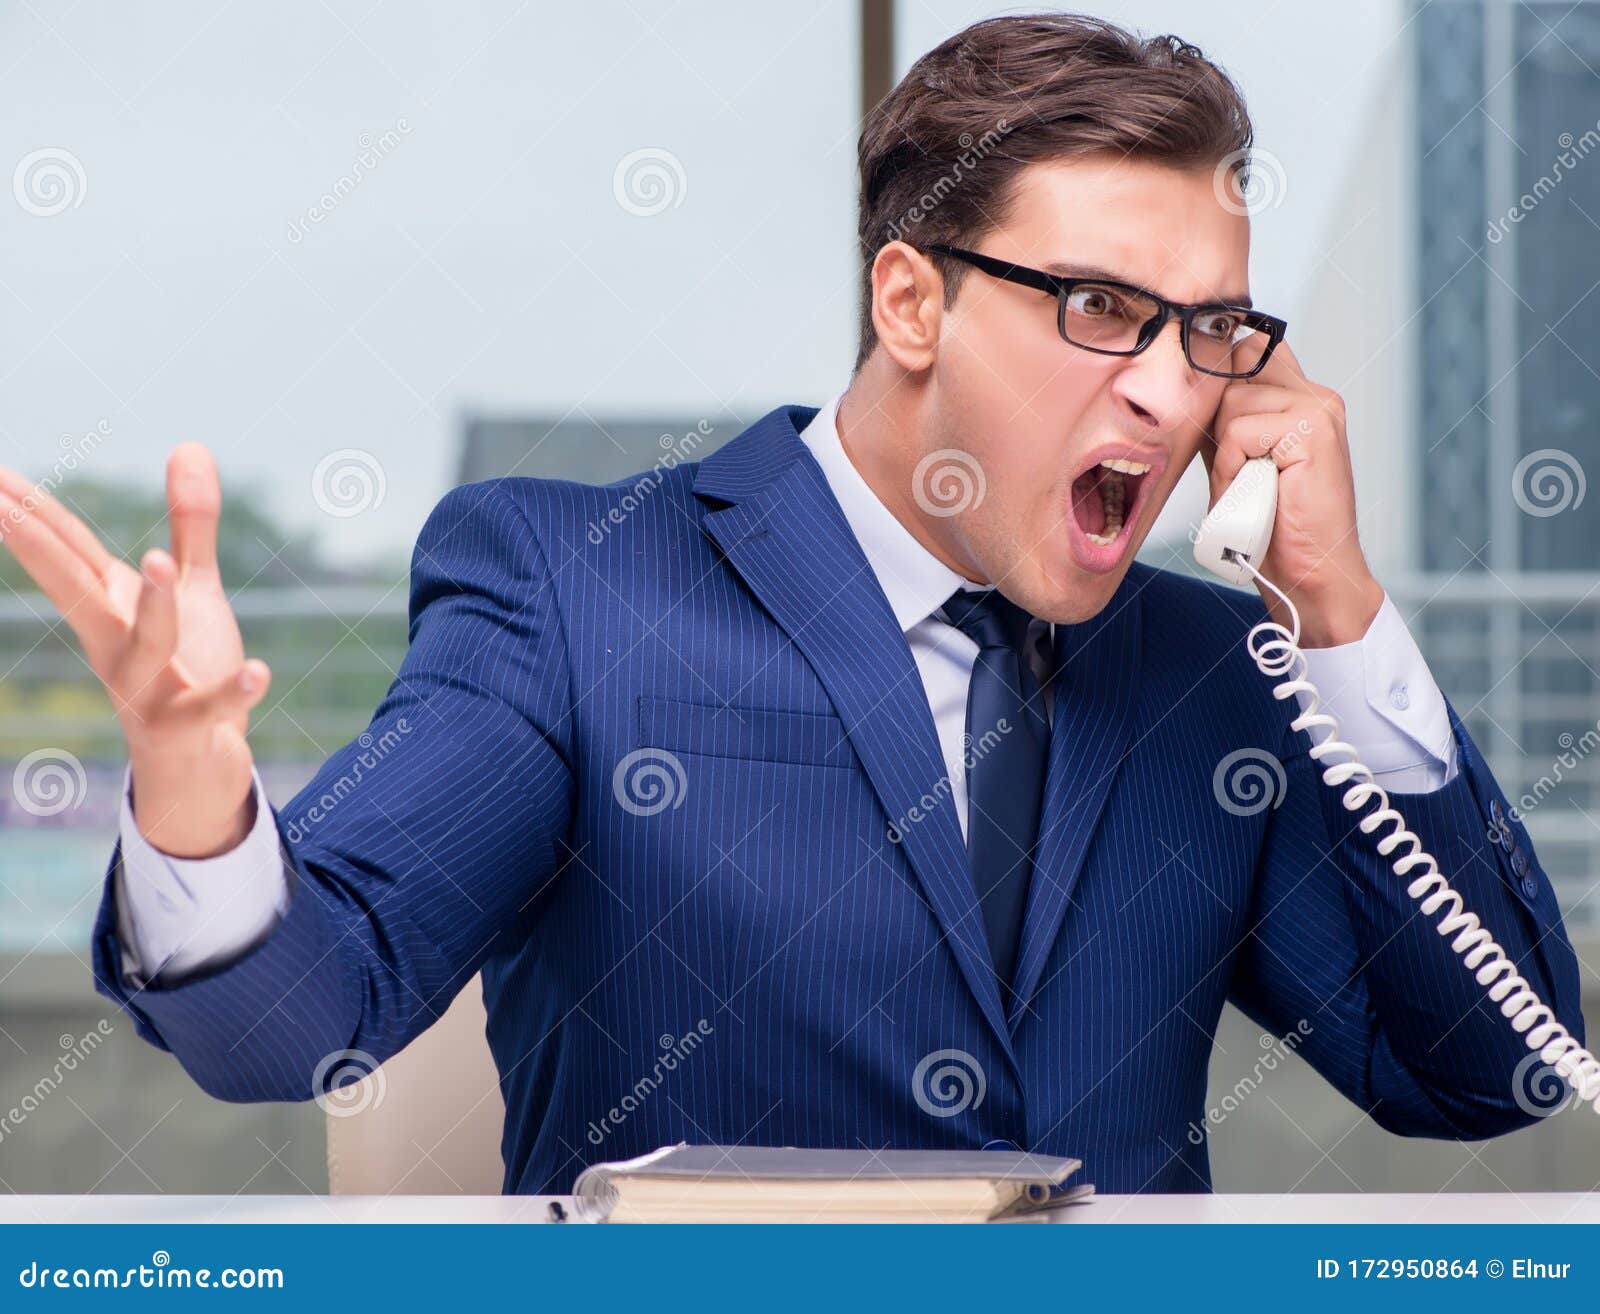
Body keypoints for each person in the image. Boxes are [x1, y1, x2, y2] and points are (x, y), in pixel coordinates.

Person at [0, 12, 1580, 1194]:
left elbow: (1488, 1069)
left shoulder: (1221, 669)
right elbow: (292, 1026)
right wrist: (198, 789)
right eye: (1107, 311)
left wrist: (1348, 618)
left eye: (1217, 330)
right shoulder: (576, 586)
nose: (1173, 394)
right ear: (912, 299)